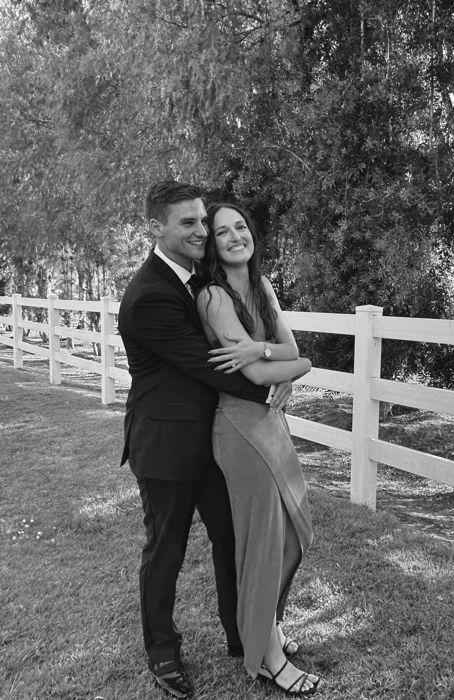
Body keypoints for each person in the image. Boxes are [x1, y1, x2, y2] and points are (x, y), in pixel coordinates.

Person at [118, 181, 271, 699]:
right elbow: (210, 365)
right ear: (155, 227)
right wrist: (273, 383)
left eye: (203, 220)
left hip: (213, 443)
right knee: (167, 549)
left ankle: (240, 635)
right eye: (188, 222)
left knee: (230, 540)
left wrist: (268, 360)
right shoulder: (149, 295)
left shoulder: (199, 279)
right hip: (165, 447)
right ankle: (162, 651)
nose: (202, 231)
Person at [196, 201, 320, 696]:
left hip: (271, 421)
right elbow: (258, 374)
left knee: (293, 535)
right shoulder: (213, 296)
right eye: (222, 232)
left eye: (240, 227)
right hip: (238, 428)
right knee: (263, 542)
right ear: (212, 245)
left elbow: (290, 351)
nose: (234, 237)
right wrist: (285, 363)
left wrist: (266, 350)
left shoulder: (263, 286)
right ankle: (268, 657)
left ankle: (269, 628)